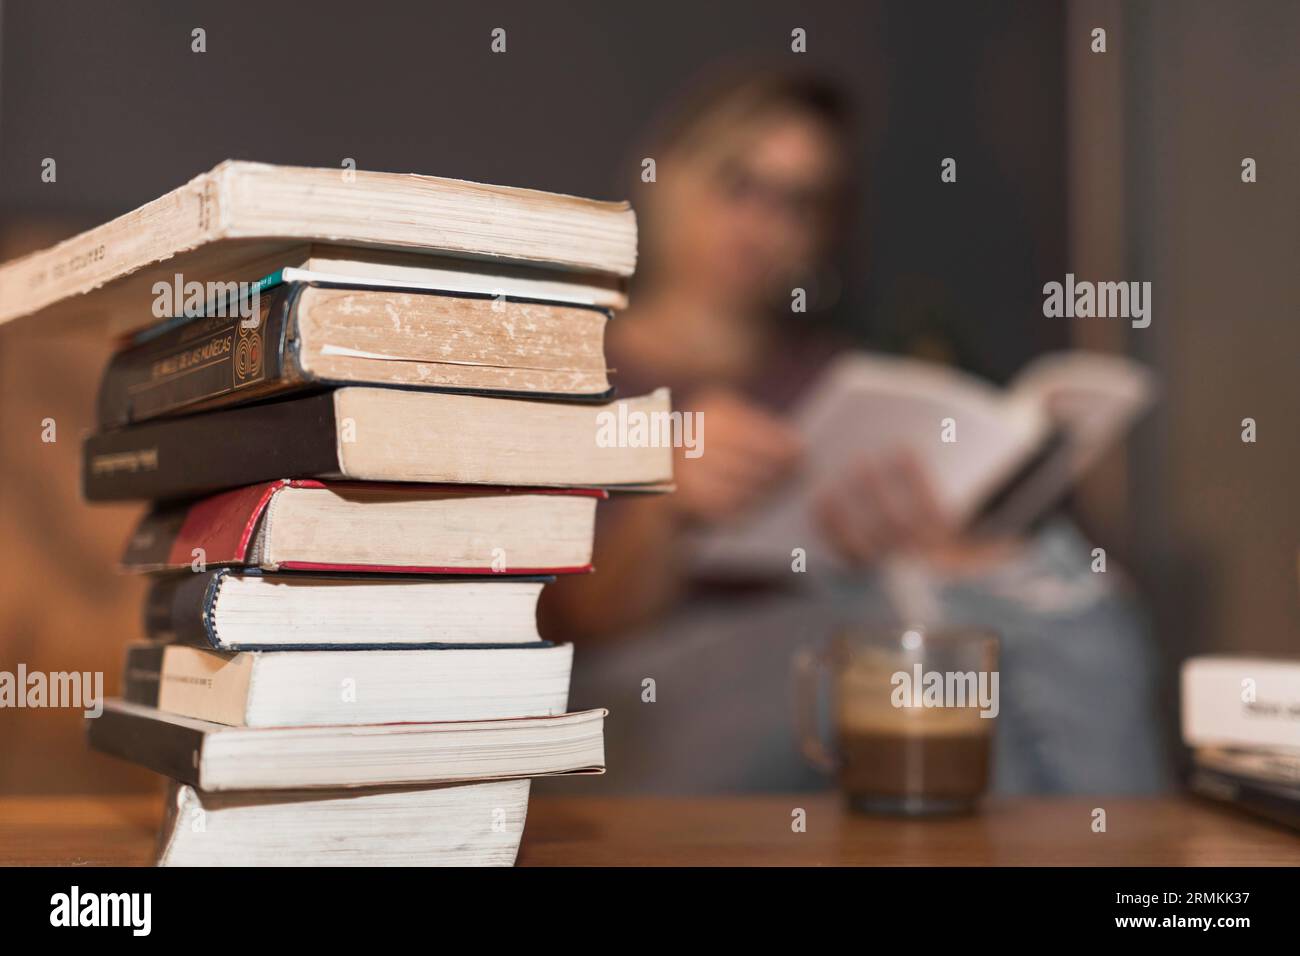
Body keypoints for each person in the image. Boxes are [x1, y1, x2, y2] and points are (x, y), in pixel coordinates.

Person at [538, 70, 1168, 795]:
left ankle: (1125, 869)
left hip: (842, 655)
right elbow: (562, 623)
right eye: (737, 182)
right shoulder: (573, 373)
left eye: (798, 202)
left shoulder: (845, 381)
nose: (761, 224)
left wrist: (939, 551)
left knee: (1075, 602)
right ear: (667, 176)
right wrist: (666, 505)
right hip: (664, 689)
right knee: (895, 649)